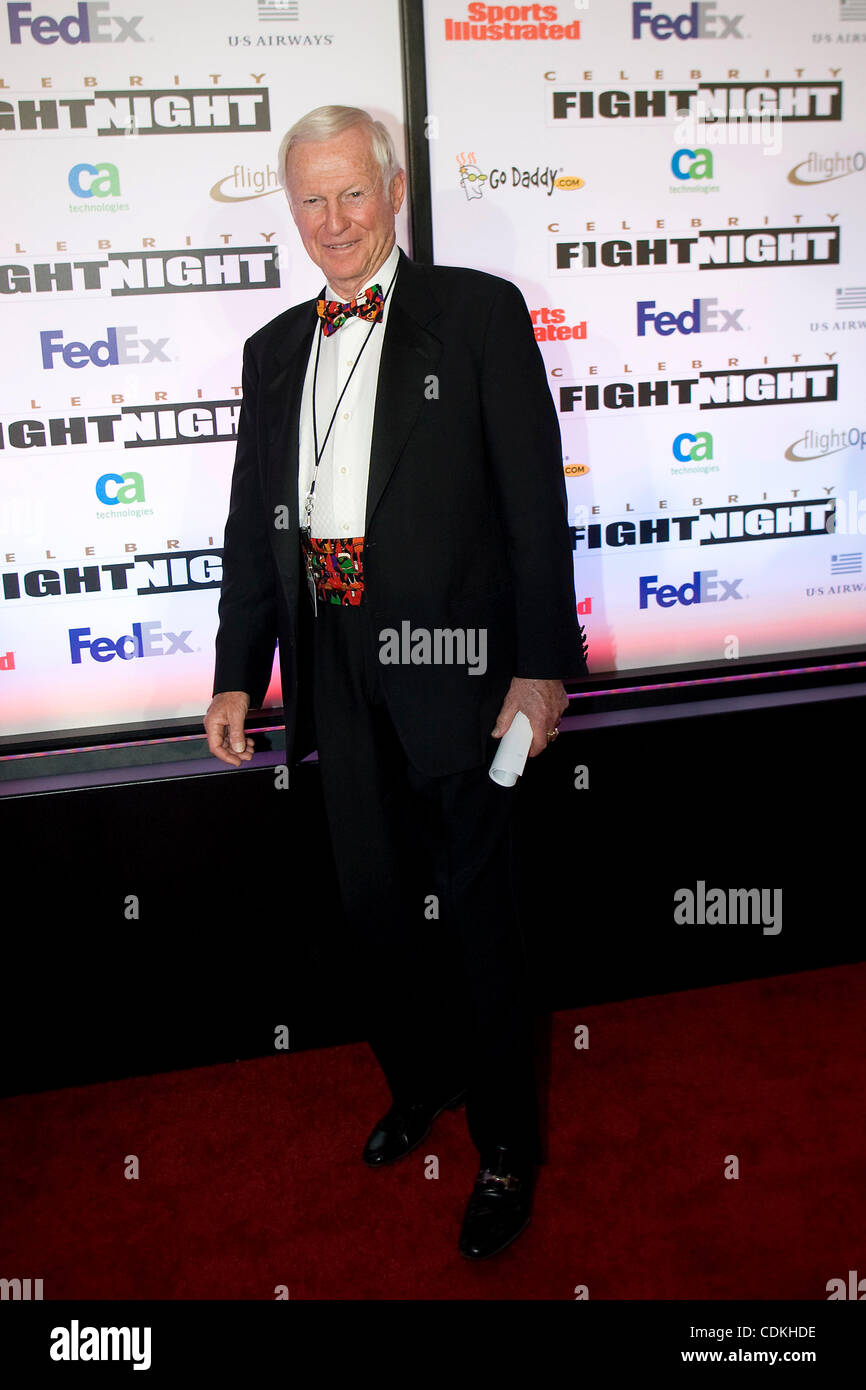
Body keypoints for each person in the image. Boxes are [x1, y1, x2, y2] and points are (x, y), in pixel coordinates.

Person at [204, 105, 588, 1260]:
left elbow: (535, 505)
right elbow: (249, 529)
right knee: (374, 908)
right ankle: (422, 1083)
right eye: (310, 199)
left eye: (351, 194)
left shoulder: (474, 314)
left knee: (480, 919)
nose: (331, 220)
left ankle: (508, 1145)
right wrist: (238, 673)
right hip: (330, 666)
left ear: (395, 190)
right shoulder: (272, 350)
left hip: (460, 674)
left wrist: (539, 667)